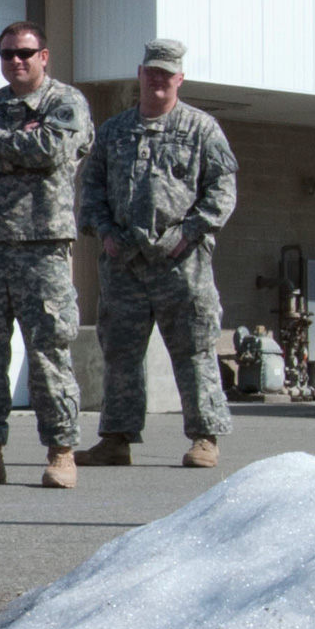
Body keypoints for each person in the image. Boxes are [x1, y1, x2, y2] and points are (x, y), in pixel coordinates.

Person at [0, 21, 94, 487]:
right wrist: (15, 146)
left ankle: (61, 452)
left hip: (41, 246)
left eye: (24, 53)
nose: (15, 61)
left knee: (49, 351)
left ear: (43, 56)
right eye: (7, 53)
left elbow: (51, 147)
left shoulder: (64, 102)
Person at [75, 39, 237, 471]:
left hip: (181, 263)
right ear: (140, 74)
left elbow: (222, 192)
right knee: (120, 352)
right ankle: (116, 439)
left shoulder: (202, 129)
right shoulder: (114, 131)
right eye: (151, 72)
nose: (158, 80)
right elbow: (91, 188)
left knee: (194, 349)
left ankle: (204, 438)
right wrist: (104, 232)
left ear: (180, 78)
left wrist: (188, 233)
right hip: (124, 262)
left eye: (166, 73)